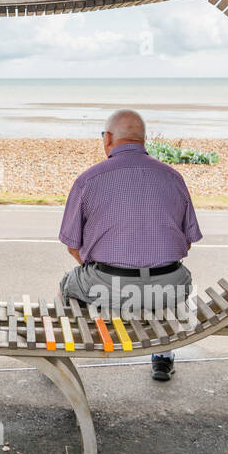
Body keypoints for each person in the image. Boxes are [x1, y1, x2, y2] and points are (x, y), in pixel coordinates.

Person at [58, 109, 200, 381]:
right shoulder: (173, 178)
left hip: (107, 289)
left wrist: (105, 270)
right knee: (172, 276)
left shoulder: (88, 180)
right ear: (143, 140)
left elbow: (72, 246)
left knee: (67, 284)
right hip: (169, 289)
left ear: (108, 138)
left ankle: (64, 357)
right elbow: (188, 241)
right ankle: (163, 357)